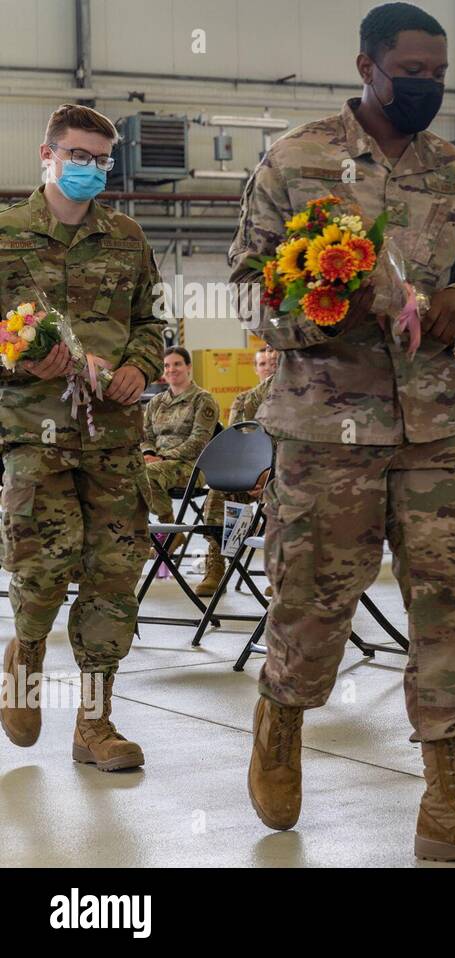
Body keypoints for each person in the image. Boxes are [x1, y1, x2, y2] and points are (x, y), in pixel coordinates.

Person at [230, 2, 455, 865]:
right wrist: (314, 315)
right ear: (367, 66)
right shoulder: (296, 159)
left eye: (439, 73)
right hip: (326, 426)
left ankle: (450, 806)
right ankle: (281, 717)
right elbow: (247, 284)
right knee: (311, 599)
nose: (428, 86)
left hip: (441, 426)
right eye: (412, 71)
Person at [0, 103, 164, 769]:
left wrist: (139, 369)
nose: (89, 168)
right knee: (44, 567)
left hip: (114, 436)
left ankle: (95, 724)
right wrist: (16, 356)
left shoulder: (128, 238)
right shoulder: (7, 235)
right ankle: (25, 658)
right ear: (48, 155)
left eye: (100, 158)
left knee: (113, 576)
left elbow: (153, 323)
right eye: (77, 156)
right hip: (34, 430)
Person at [195, 345, 279, 597]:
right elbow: (237, 445)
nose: (270, 365)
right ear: (255, 368)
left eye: (274, 360)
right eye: (263, 362)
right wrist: (254, 473)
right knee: (221, 491)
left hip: (285, 472)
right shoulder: (245, 400)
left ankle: (283, 571)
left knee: (284, 496)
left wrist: (270, 473)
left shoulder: (296, 394)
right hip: (253, 474)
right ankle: (217, 563)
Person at [141, 347, 220, 525]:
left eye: (177, 364)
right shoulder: (156, 402)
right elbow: (146, 436)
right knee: (124, 473)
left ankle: (167, 526)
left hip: (191, 467)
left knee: (145, 474)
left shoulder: (203, 400)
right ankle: (147, 534)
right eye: (167, 366)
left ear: (188, 367)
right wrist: (148, 454)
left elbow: (198, 442)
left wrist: (162, 457)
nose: (171, 369)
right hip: (158, 462)